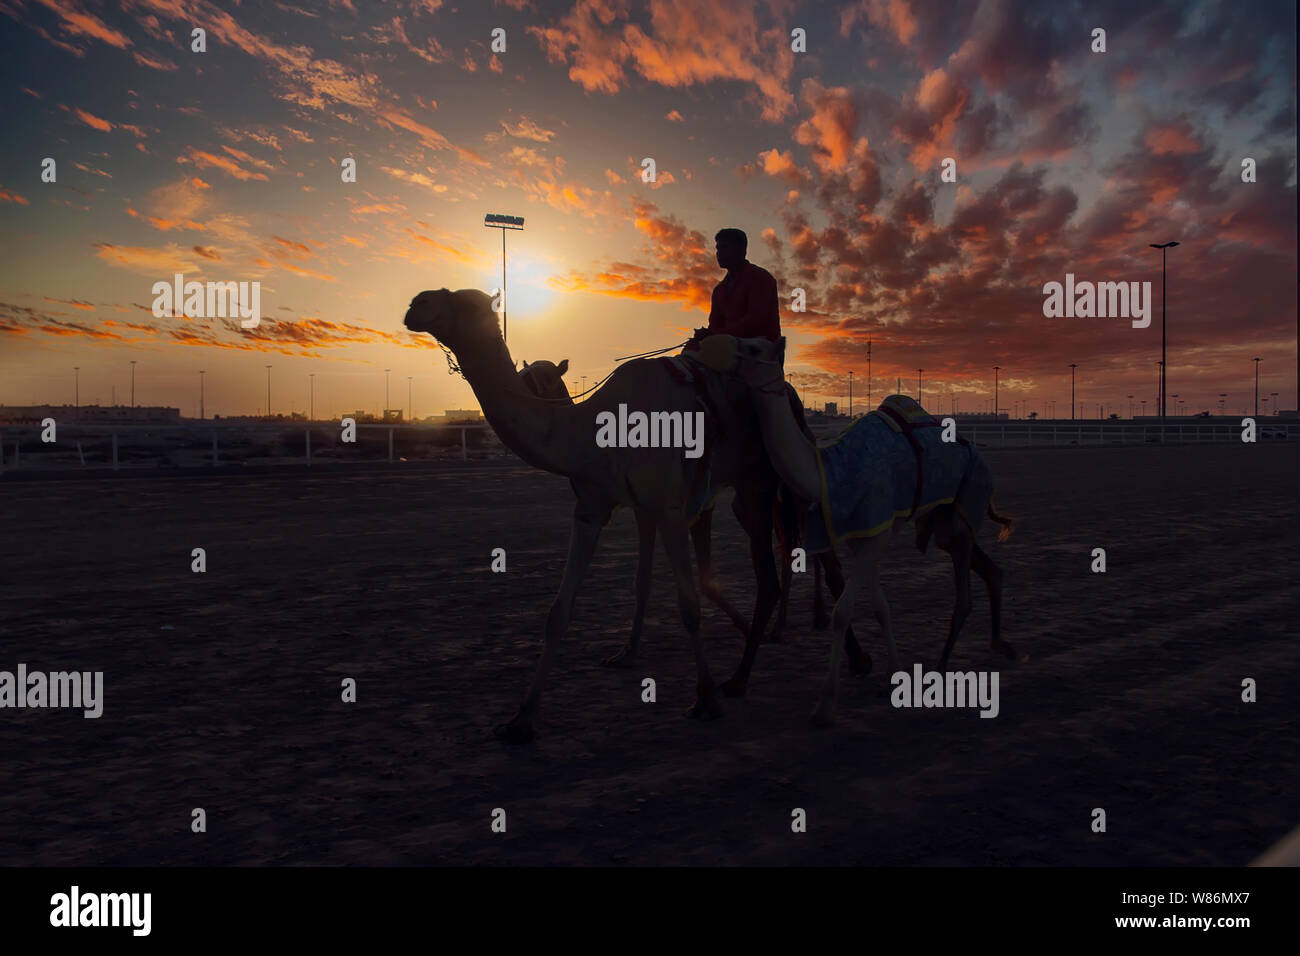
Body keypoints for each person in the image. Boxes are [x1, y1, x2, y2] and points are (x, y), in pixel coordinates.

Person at [704, 227, 781, 343]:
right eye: (718, 248)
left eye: (724, 247)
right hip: (728, 345)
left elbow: (756, 323)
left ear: (741, 250)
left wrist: (715, 334)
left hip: (762, 348)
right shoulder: (719, 291)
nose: (719, 253)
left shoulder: (760, 278)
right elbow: (715, 325)